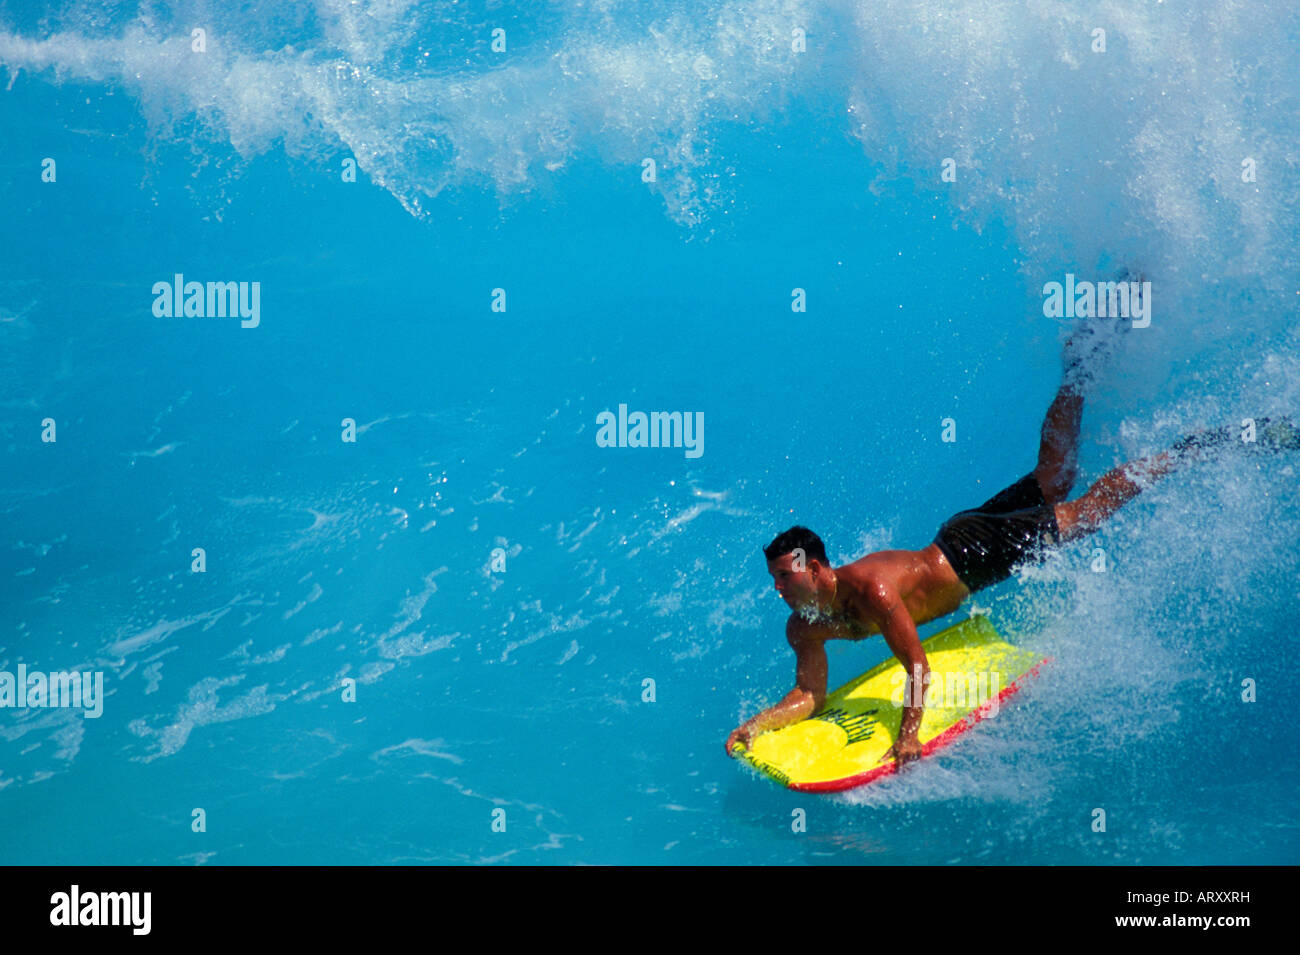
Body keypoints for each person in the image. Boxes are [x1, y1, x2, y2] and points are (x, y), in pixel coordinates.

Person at [726, 301, 1298, 766]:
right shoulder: (803, 628)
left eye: (785, 576)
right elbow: (810, 695)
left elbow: (917, 667)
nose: (778, 588)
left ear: (817, 568)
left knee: (1086, 512)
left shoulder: (872, 590)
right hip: (957, 538)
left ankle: (1198, 447)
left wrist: (909, 735)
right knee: (1054, 476)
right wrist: (757, 727)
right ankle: (1081, 364)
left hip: (973, 553)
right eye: (774, 578)